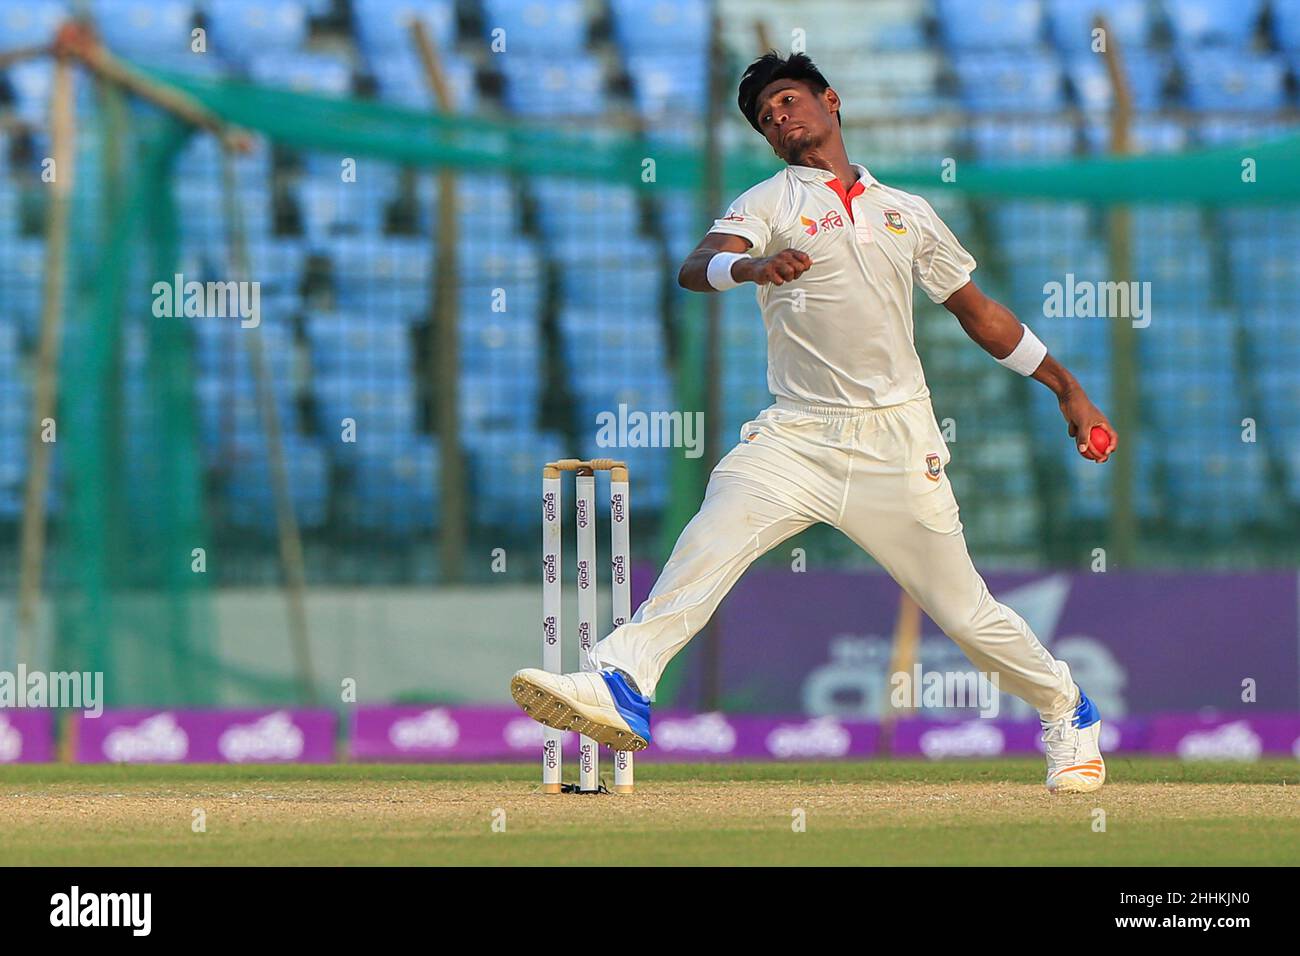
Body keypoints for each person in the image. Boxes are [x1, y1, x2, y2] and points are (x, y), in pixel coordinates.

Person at [511, 51, 1117, 793]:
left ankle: (1069, 710)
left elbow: (979, 314)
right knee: (710, 537)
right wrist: (753, 268)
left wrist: (1066, 388)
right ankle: (622, 679)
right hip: (797, 435)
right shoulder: (767, 202)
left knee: (967, 616)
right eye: (767, 118)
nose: (781, 119)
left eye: (790, 102)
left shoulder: (908, 212)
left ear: (830, 101)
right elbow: (697, 265)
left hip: (897, 441)